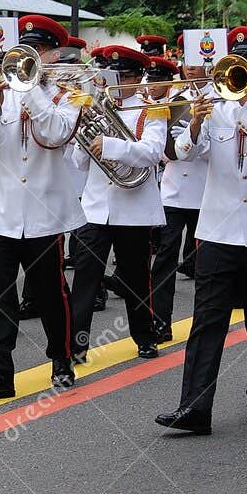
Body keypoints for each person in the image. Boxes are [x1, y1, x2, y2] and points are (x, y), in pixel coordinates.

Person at [155, 25, 247, 435]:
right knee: (207, 320)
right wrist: (197, 125)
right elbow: (183, 153)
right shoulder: (213, 104)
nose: (240, 71)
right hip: (217, 228)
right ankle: (194, 408)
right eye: (236, 64)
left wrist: (245, 103)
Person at [0, 14, 82, 402]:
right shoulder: (3, 92)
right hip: (2, 212)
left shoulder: (69, 95)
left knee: (50, 293)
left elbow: (55, 133)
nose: (30, 58)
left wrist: (31, 89)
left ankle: (61, 359)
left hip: (44, 213)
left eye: (38, 51)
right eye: (25, 51)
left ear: (52, 54)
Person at [69, 45, 166, 362]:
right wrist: (84, 139)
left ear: (138, 78)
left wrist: (109, 144)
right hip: (96, 208)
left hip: (133, 209)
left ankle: (145, 337)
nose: (115, 83)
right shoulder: (95, 108)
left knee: (136, 278)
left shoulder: (151, 111)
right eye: (110, 77)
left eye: (122, 76)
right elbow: (79, 163)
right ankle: (77, 344)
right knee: (85, 279)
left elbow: (152, 153)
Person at [149, 48, 201, 343]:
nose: (192, 68)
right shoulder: (175, 101)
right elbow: (163, 150)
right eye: (189, 63)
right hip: (173, 191)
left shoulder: (227, 99)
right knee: (165, 257)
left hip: (207, 191)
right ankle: (160, 320)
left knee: (207, 264)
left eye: (199, 64)